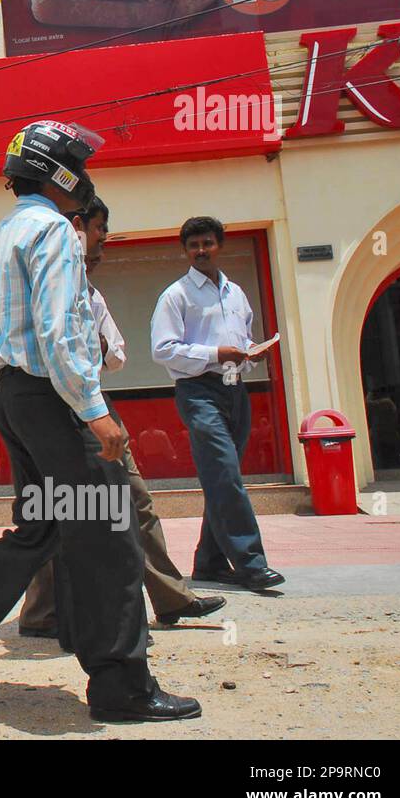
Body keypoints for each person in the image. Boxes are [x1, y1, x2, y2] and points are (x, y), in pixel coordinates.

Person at [0, 120, 200, 723]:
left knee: (44, 529)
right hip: (54, 400)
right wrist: (96, 411)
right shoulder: (56, 230)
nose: (85, 179)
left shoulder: (1, 234)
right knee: (111, 535)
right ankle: (122, 688)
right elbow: (60, 333)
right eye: (78, 168)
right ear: (59, 173)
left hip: (13, 396)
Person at [19, 198, 225, 640]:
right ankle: (58, 615)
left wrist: (94, 347)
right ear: (77, 230)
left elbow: (116, 355)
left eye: (102, 244)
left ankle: (166, 599)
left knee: (129, 504)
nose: (99, 250)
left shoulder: (91, 296)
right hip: (59, 410)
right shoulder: (43, 285)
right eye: (97, 236)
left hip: (93, 406)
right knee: (59, 510)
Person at [151, 216, 284, 591]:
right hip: (198, 391)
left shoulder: (235, 292)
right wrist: (216, 352)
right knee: (225, 473)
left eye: (207, 243)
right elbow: (163, 350)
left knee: (222, 477)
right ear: (185, 250)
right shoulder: (175, 295)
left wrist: (252, 353)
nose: (200, 251)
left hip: (234, 389)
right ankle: (252, 563)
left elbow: (243, 338)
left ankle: (209, 561)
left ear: (218, 245)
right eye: (193, 245)